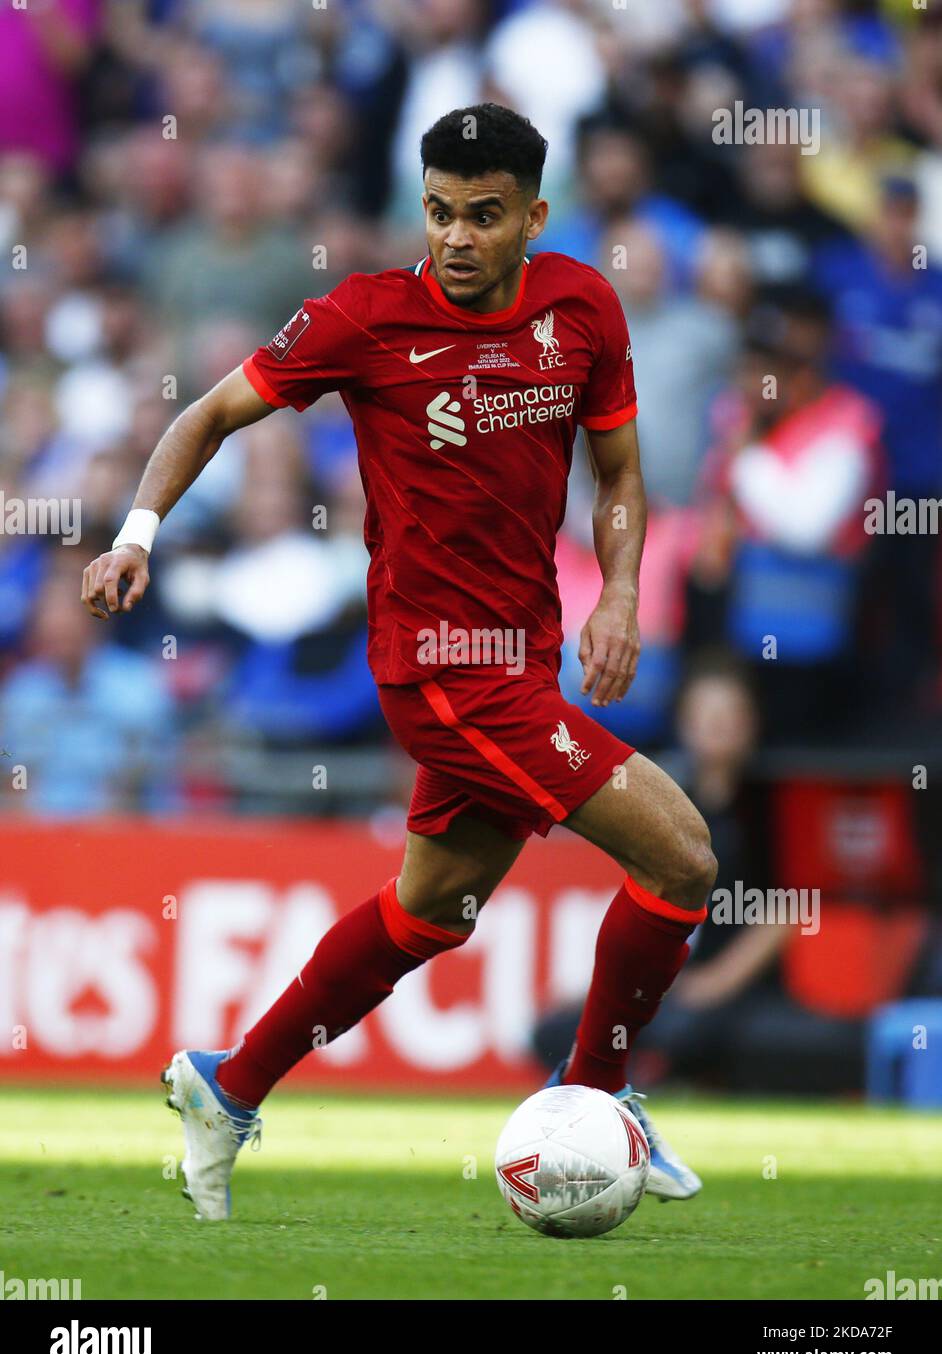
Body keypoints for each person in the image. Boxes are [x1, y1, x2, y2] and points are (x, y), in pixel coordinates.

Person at [80, 103, 717, 1221]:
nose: (456, 237)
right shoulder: (363, 319)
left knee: (433, 908)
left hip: (526, 657)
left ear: (534, 216)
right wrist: (136, 535)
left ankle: (226, 1087)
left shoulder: (582, 307)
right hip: (437, 670)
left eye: (483, 214)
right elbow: (211, 414)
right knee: (684, 858)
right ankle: (597, 1093)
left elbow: (619, 478)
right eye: (438, 211)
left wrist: (617, 591)